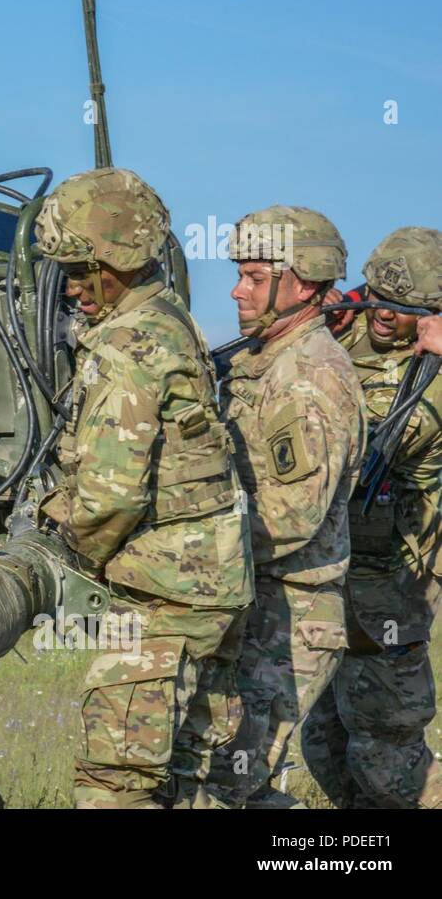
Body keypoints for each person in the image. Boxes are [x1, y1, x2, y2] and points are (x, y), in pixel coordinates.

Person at [35, 167, 254, 808]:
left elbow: (110, 498)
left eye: (80, 271)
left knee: (117, 782)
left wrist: (59, 553)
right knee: (189, 777)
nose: (71, 289)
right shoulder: (170, 317)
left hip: (163, 595)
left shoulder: (125, 347)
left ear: (117, 260)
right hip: (212, 585)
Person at [202, 206, 367, 807]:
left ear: (301, 282)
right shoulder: (261, 359)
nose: (236, 289)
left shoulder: (307, 378)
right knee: (229, 780)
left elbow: (294, 515)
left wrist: (185, 549)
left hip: (289, 615)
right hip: (262, 602)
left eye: (252, 275)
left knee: (230, 782)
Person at [301, 226, 442, 808]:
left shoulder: (430, 379)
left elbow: (358, 449)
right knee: (325, 743)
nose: (385, 317)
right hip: (336, 581)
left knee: (388, 758)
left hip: (389, 589)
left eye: (404, 309)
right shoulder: (351, 330)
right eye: (378, 298)